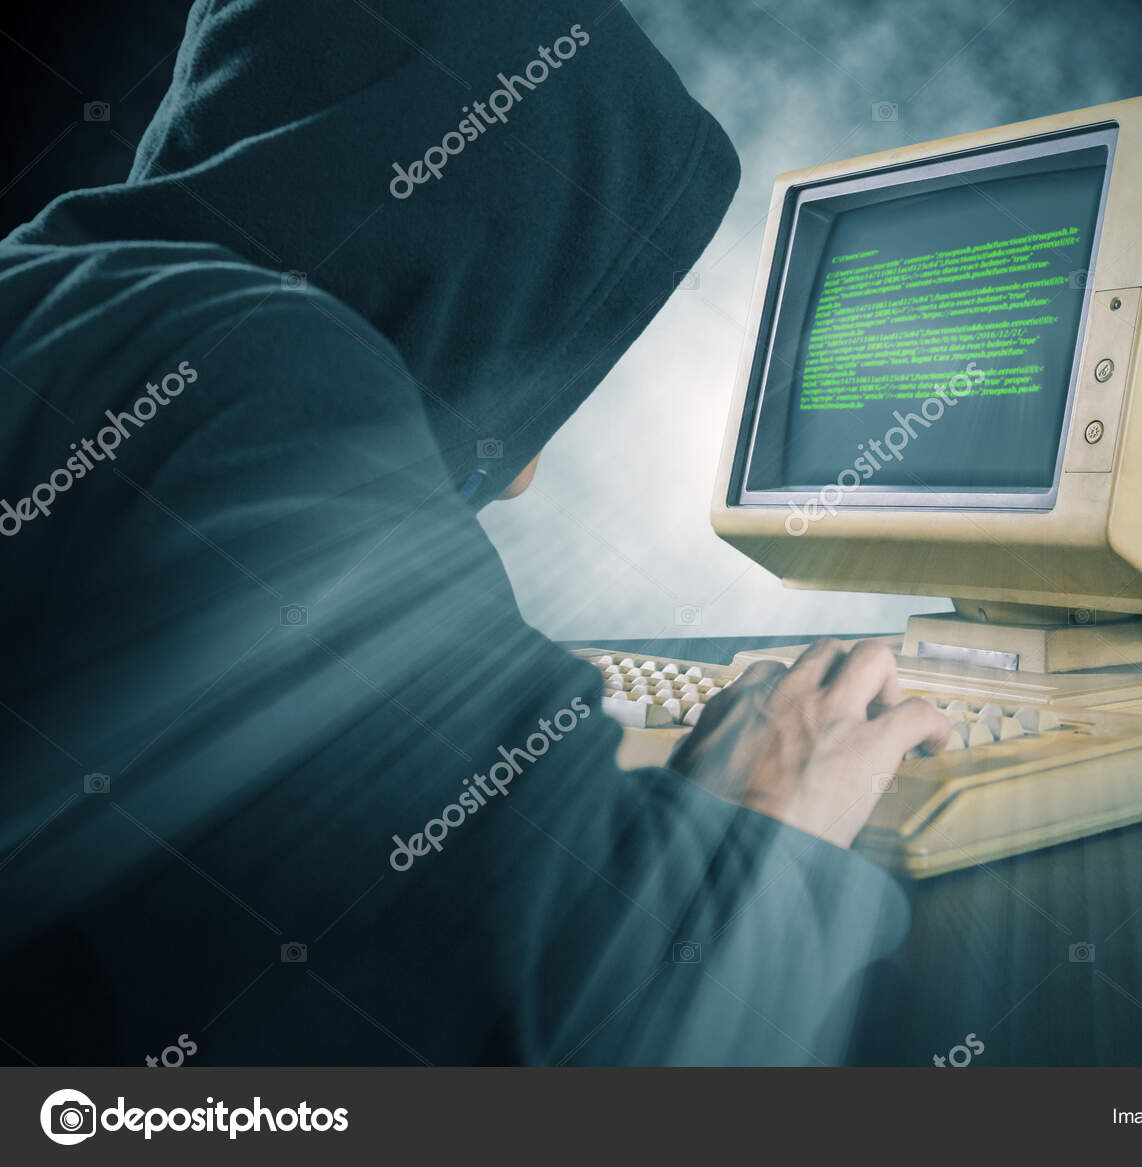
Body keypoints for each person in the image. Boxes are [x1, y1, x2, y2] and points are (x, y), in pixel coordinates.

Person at [0, 0, 944, 1066]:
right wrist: (760, 827)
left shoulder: (65, 311)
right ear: (464, 237)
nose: (526, 474)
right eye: (555, 338)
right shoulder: (258, 372)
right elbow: (569, 1034)